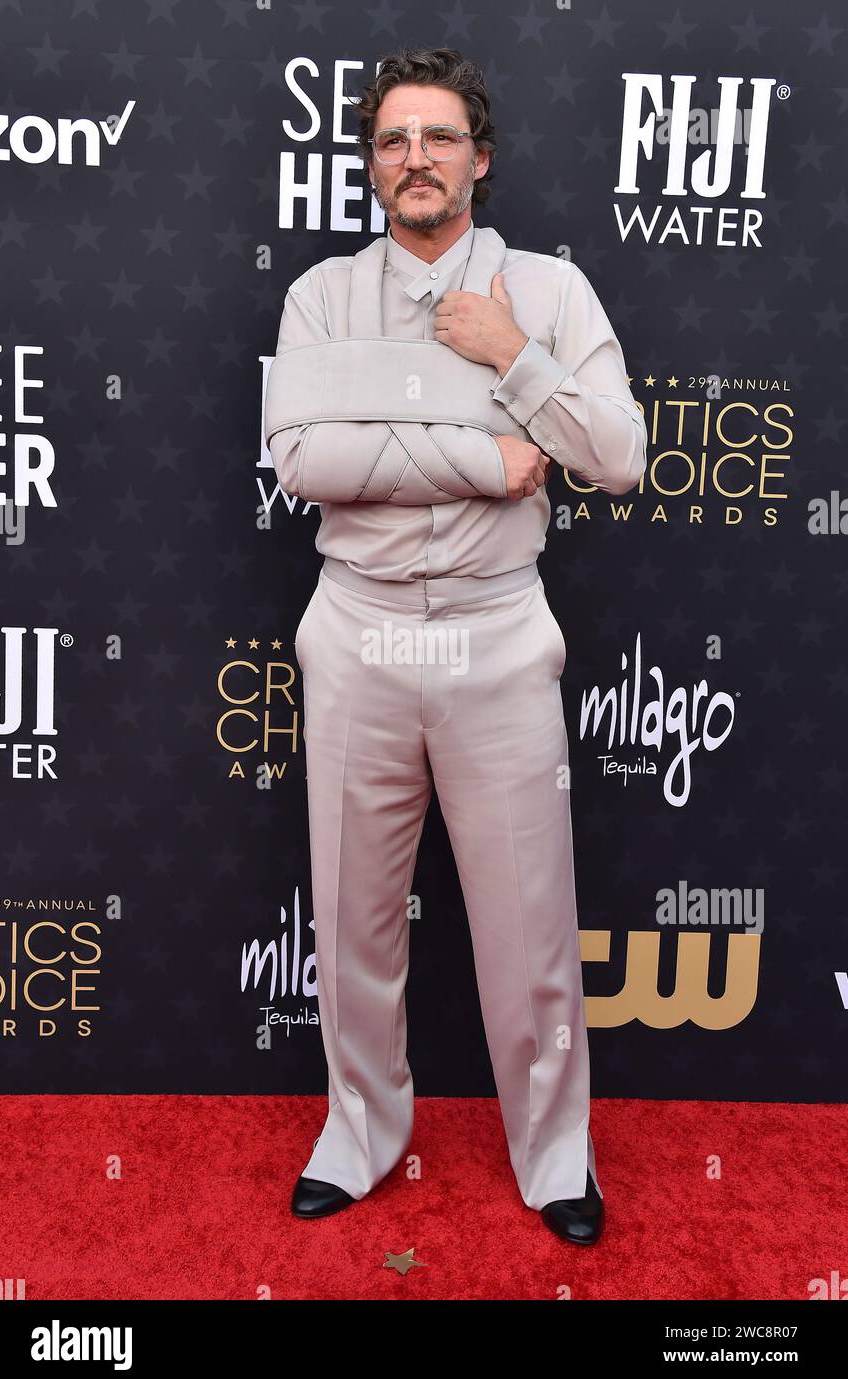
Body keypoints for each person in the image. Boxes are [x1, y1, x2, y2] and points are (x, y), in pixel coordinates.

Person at [264, 46, 647, 1245]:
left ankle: (552, 1154)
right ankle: (360, 1131)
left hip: (494, 634)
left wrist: (511, 358)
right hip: (360, 633)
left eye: (437, 138)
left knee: (531, 921)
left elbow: (617, 456)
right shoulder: (322, 296)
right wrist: (485, 455)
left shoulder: (546, 292)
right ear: (371, 162)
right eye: (391, 139)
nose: (413, 159)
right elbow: (304, 462)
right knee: (354, 914)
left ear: (480, 157)